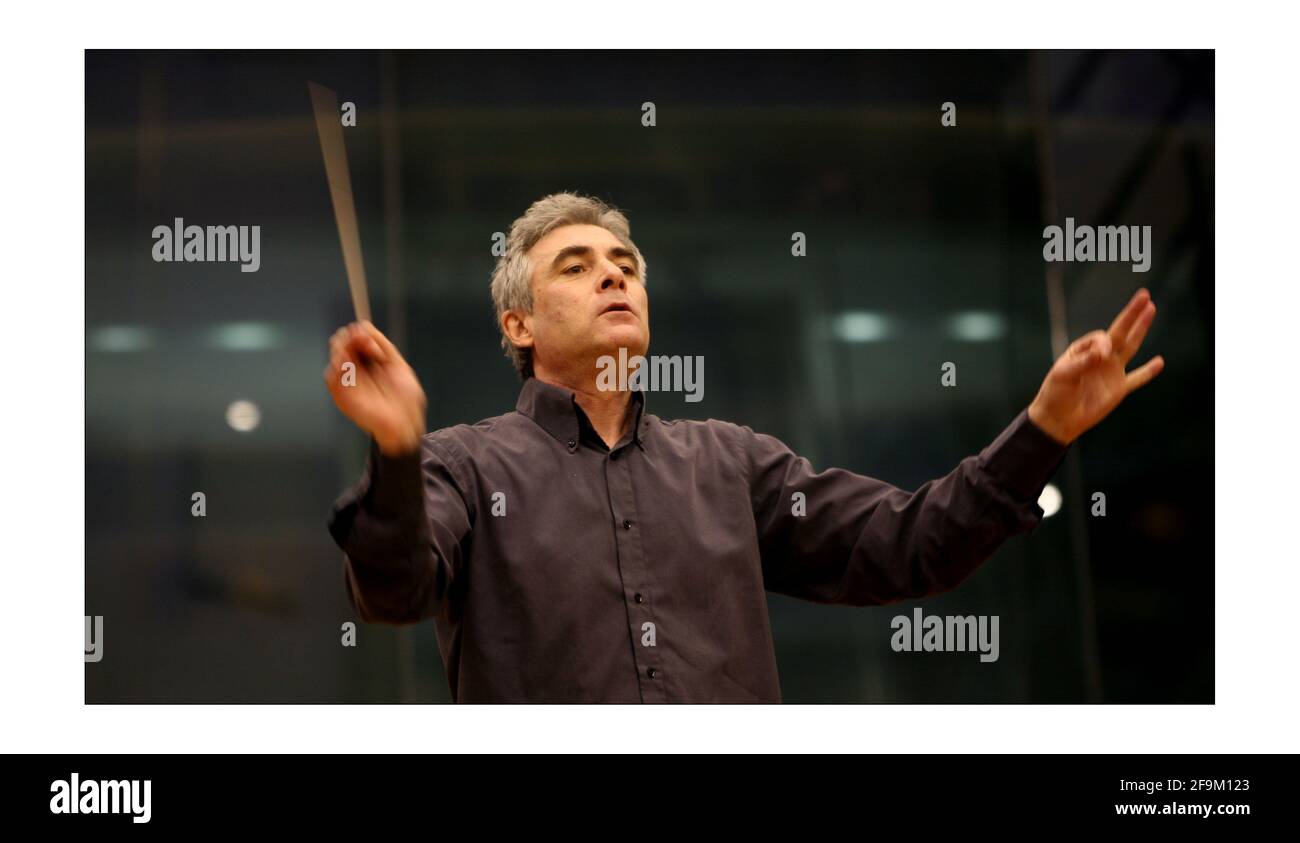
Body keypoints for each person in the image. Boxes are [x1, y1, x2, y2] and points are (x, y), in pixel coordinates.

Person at [324, 192, 1163, 703]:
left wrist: (1043, 428)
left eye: (623, 263)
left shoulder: (731, 462)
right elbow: (393, 592)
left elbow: (911, 546)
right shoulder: (464, 464)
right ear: (519, 323)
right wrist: (396, 450)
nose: (614, 276)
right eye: (576, 268)